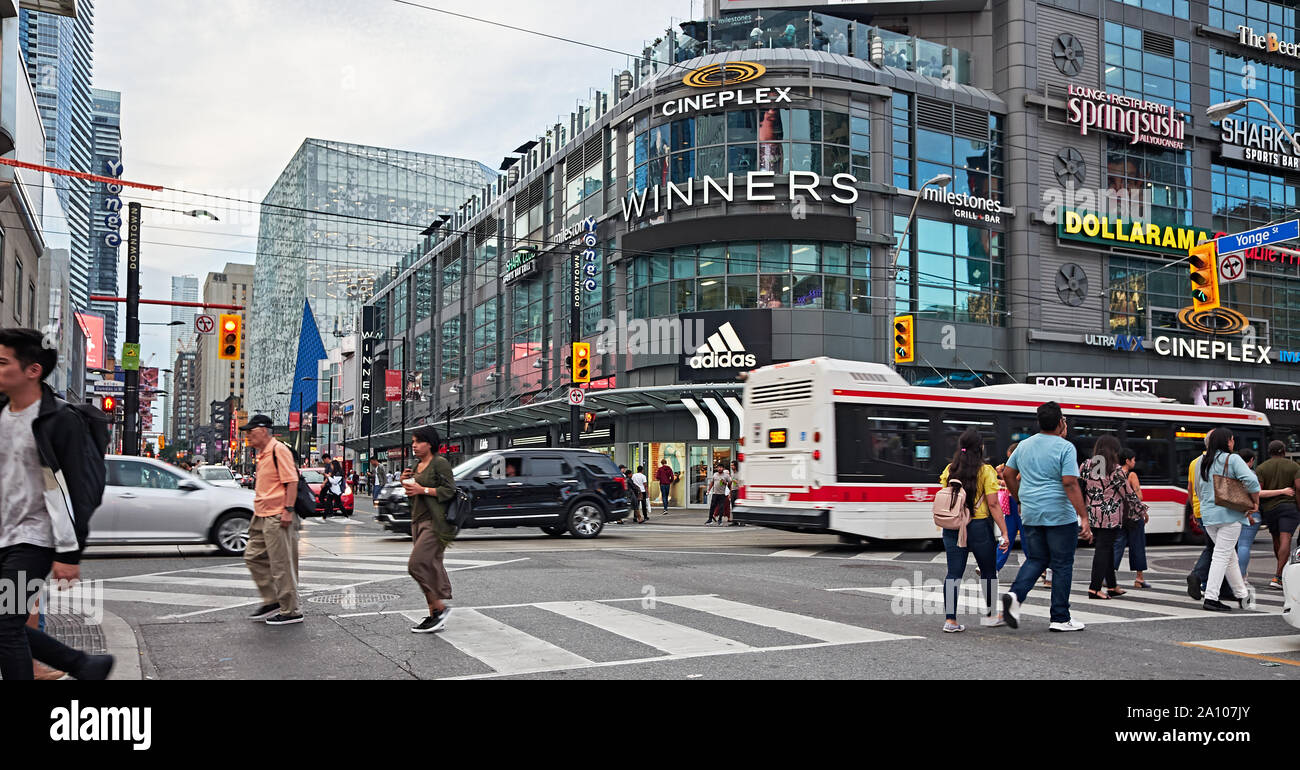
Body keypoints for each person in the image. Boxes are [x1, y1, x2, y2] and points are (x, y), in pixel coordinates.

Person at [0, 328, 114, 680]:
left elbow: (78, 490)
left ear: (32, 370)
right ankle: (82, 664)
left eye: (3, 362)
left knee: (6, 623)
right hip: (3, 534)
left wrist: (68, 553)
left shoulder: (59, 421)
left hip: (33, 539)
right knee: (8, 622)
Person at [1001, 402, 1093, 633]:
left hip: (1031, 513)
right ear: (1061, 422)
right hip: (1060, 515)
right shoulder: (1066, 447)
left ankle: (1015, 595)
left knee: (1036, 559)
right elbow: (1070, 482)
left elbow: (1009, 474)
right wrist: (1084, 516)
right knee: (1062, 564)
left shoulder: (1024, 445)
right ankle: (1060, 617)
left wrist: (1020, 498)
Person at [937, 428, 1009, 632]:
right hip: (979, 527)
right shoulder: (986, 471)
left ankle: (950, 620)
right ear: (981, 447)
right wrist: (1004, 532)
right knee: (988, 572)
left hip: (954, 526)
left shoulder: (950, 469)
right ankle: (990, 615)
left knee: (953, 573)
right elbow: (994, 505)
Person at [242, 414, 303, 625]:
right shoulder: (263, 454)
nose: (248, 435)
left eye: (251, 430)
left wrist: (288, 510)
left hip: (278, 515)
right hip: (261, 514)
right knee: (253, 556)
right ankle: (273, 600)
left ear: (263, 430)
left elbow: (292, 482)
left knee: (281, 564)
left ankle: (290, 610)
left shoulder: (279, 450)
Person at [1196, 428, 1260, 612]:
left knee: (1229, 555)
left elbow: (1198, 490)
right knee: (1222, 555)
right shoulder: (1232, 459)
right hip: (1229, 515)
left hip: (1208, 516)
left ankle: (1242, 596)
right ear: (1227, 442)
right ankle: (1211, 597)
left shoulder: (1201, 460)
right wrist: (1254, 501)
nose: (1233, 443)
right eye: (1232, 440)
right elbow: (1252, 481)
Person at [402, 427, 457, 633]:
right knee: (429, 566)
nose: (414, 445)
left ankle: (440, 608)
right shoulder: (417, 466)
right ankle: (434, 614)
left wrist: (422, 489)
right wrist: (406, 484)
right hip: (418, 521)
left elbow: (450, 490)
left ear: (430, 443)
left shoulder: (439, 463)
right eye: (413, 441)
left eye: (418, 441)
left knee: (416, 565)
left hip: (436, 523)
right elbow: (414, 495)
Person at [1080, 436, 1146, 600]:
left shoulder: (1086, 465)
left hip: (1092, 514)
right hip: (1109, 515)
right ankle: (1094, 588)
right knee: (1103, 550)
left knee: (1106, 549)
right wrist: (1141, 510)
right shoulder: (1114, 469)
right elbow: (1128, 493)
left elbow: (1081, 487)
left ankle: (1112, 585)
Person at [1252, 441, 1300, 590]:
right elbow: (1298, 487)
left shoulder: (1261, 468)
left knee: (1276, 539)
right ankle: (1279, 576)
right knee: (1286, 539)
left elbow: (1258, 490)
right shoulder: (1294, 466)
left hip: (1270, 508)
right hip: (1289, 506)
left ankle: (1280, 573)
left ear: (1269, 451)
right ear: (1284, 451)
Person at [1112, 449, 1150, 588]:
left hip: (1119, 516)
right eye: (1133, 459)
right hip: (1133, 516)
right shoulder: (1131, 475)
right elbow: (1139, 496)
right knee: (1137, 545)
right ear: (1127, 461)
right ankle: (1139, 578)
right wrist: (1143, 512)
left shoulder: (1114, 474)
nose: (1135, 462)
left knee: (1117, 545)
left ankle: (1109, 575)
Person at [994, 442, 1021, 574]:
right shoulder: (1014, 467)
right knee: (1007, 536)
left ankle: (1044, 569)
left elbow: (1013, 480)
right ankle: (994, 567)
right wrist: (1000, 474)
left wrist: (999, 478)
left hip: (1020, 504)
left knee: (1028, 541)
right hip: (1012, 504)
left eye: (1012, 458)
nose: (1009, 461)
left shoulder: (1024, 467)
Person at [318, 453, 346, 518]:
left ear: (326, 458)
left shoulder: (331, 465)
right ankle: (329, 512)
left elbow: (330, 475)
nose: (323, 461)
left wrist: (324, 483)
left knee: (322, 498)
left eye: (323, 460)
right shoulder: (328, 465)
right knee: (330, 499)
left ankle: (329, 511)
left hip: (329, 484)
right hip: (330, 484)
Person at [729, 461, 744, 527]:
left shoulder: (739, 474)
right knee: (733, 507)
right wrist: (730, 492)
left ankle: (742, 522)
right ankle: (735, 521)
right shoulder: (732, 474)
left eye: (733, 465)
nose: (731, 467)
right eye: (731, 465)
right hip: (733, 491)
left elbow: (742, 484)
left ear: (736, 466)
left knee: (739, 507)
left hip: (738, 491)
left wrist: (736, 481)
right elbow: (732, 484)